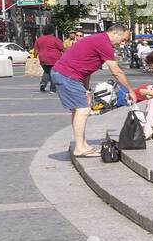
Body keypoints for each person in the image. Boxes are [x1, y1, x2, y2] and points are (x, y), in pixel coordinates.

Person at [51, 23, 135, 158]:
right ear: (115, 33)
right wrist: (130, 90)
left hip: (66, 74)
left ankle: (82, 144)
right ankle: (79, 148)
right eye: (123, 39)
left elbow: (87, 68)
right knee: (83, 110)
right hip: (67, 75)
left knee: (78, 110)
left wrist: (86, 90)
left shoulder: (98, 40)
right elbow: (116, 71)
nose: (122, 43)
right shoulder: (104, 43)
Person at [34, 25, 65, 93]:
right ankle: (53, 89)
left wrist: (35, 57)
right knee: (54, 73)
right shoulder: (55, 39)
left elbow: (35, 51)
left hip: (43, 59)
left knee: (47, 71)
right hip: (54, 59)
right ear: (52, 32)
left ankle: (43, 84)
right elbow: (62, 49)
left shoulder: (39, 39)